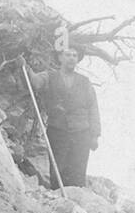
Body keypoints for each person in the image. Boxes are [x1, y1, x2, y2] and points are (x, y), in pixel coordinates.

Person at [27, 47, 101, 188]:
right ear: (60, 58)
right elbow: (35, 82)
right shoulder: (49, 76)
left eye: (75, 55)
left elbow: (93, 108)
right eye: (68, 55)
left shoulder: (85, 82)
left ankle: (76, 203)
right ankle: (59, 202)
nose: (72, 58)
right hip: (58, 130)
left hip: (81, 132)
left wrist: (95, 135)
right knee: (57, 169)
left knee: (78, 171)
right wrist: (25, 68)